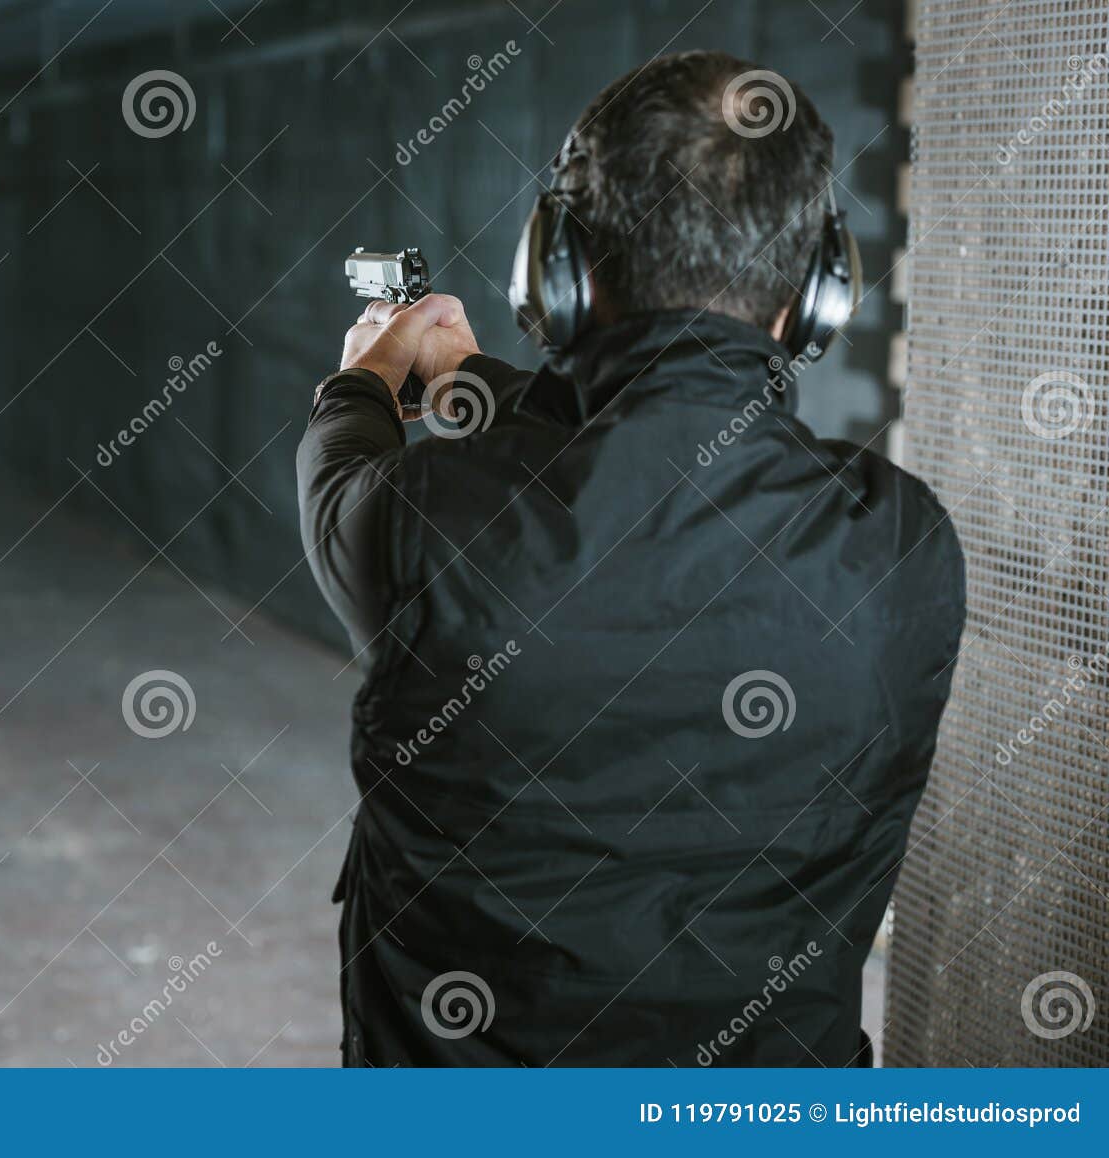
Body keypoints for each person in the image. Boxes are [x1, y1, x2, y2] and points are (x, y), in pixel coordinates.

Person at [296, 50, 965, 1067]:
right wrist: (471, 379)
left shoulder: (422, 520)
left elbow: (343, 471)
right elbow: (665, 463)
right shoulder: (903, 542)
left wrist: (366, 378)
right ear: (821, 290)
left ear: (558, 275)